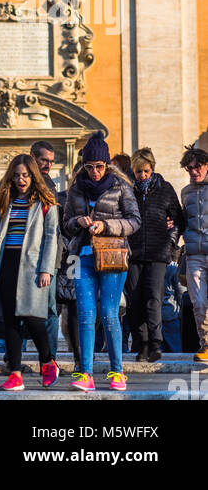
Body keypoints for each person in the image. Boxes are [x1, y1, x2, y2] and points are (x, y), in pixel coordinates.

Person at [63, 132, 140, 392]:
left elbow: (134, 221)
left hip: (113, 256)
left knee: (109, 314)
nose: (95, 171)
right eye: (89, 166)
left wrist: (106, 225)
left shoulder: (121, 188)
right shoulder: (75, 189)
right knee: (85, 314)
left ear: (107, 165)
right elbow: (66, 225)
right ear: (83, 166)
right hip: (81, 256)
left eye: (99, 166)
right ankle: (86, 373)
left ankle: (117, 372)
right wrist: (79, 222)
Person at [0, 154, 60, 392]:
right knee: (10, 319)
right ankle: (15, 373)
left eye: (25, 175)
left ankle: (47, 361)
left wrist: (47, 269)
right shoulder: (5, 200)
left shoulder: (47, 203)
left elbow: (50, 237)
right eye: (16, 176)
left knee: (34, 318)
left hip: (33, 267)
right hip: (6, 263)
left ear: (33, 175)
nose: (20, 180)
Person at [125, 147, 185, 362]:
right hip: (132, 254)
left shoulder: (165, 189)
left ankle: (155, 343)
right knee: (135, 299)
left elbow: (178, 220)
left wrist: (169, 244)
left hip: (158, 254)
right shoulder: (126, 189)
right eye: (139, 171)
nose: (143, 175)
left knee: (154, 298)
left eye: (146, 171)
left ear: (152, 169)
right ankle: (140, 344)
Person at [31, 140, 65, 361]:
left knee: (51, 309)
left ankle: (50, 356)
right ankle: (15, 355)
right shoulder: (23, 185)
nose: (48, 165)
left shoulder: (51, 185)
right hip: (28, 254)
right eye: (44, 160)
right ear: (33, 157)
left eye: (51, 161)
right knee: (22, 307)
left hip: (50, 255)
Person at [180, 142, 208, 363]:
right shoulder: (185, 192)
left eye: (198, 166)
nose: (194, 171)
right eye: (190, 168)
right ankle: (205, 345)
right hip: (194, 254)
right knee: (198, 302)